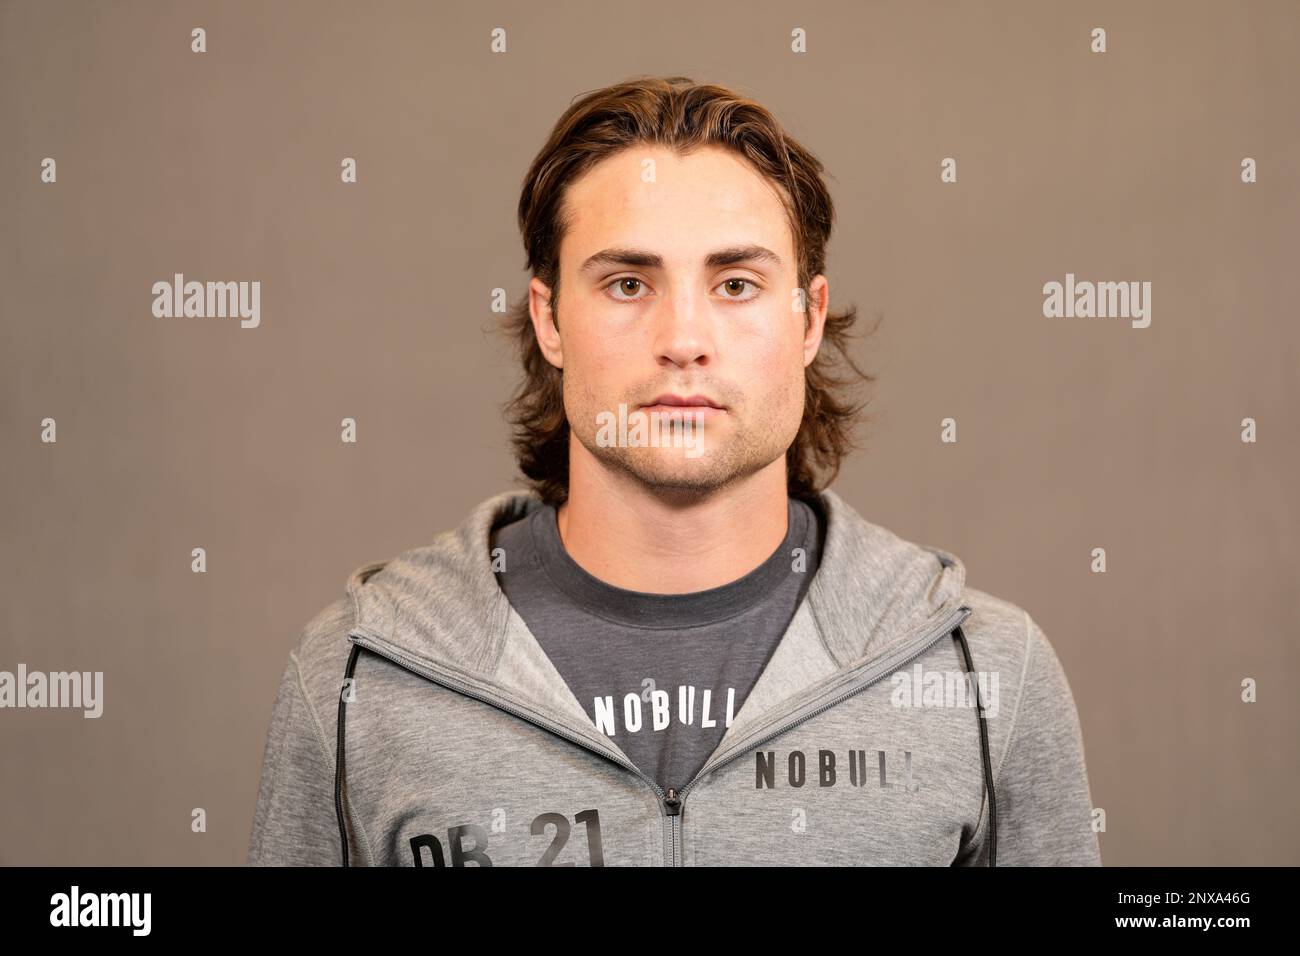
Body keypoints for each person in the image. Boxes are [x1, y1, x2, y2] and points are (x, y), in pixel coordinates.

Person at [246, 75, 1101, 867]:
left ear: (807, 320)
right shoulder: (362, 675)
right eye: (626, 283)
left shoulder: (981, 673)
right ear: (549, 320)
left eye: (735, 284)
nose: (683, 338)